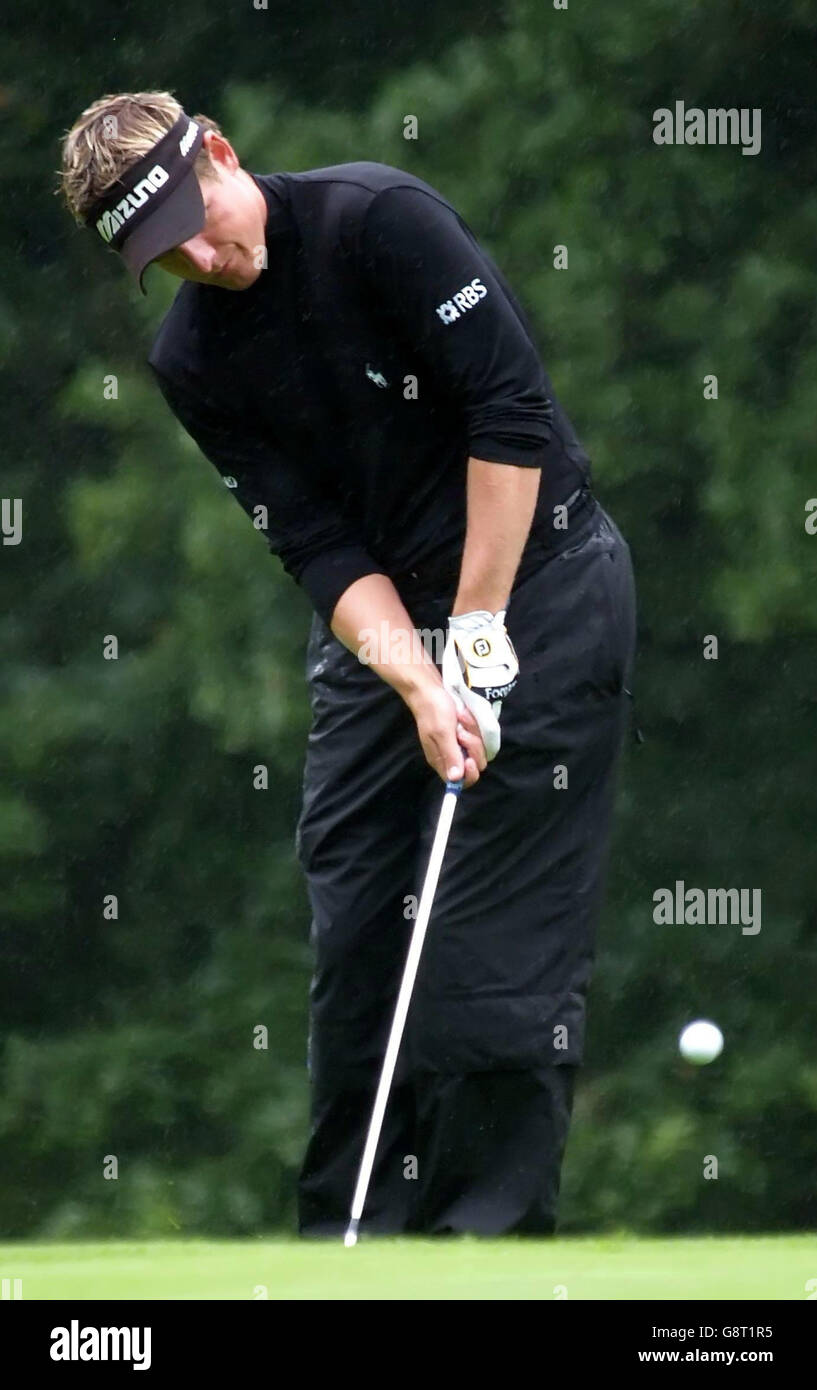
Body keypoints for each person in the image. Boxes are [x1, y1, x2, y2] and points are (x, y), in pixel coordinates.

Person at [60, 90, 636, 1237]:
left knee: (485, 934)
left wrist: (474, 632)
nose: (196, 255)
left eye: (193, 216)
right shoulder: (190, 355)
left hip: (542, 582)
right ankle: (347, 1248)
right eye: (159, 252)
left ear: (218, 151)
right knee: (360, 925)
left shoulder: (375, 220)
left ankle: (478, 1243)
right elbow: (315, 543)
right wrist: (421, 682)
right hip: (381, 635)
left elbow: (507, 414)